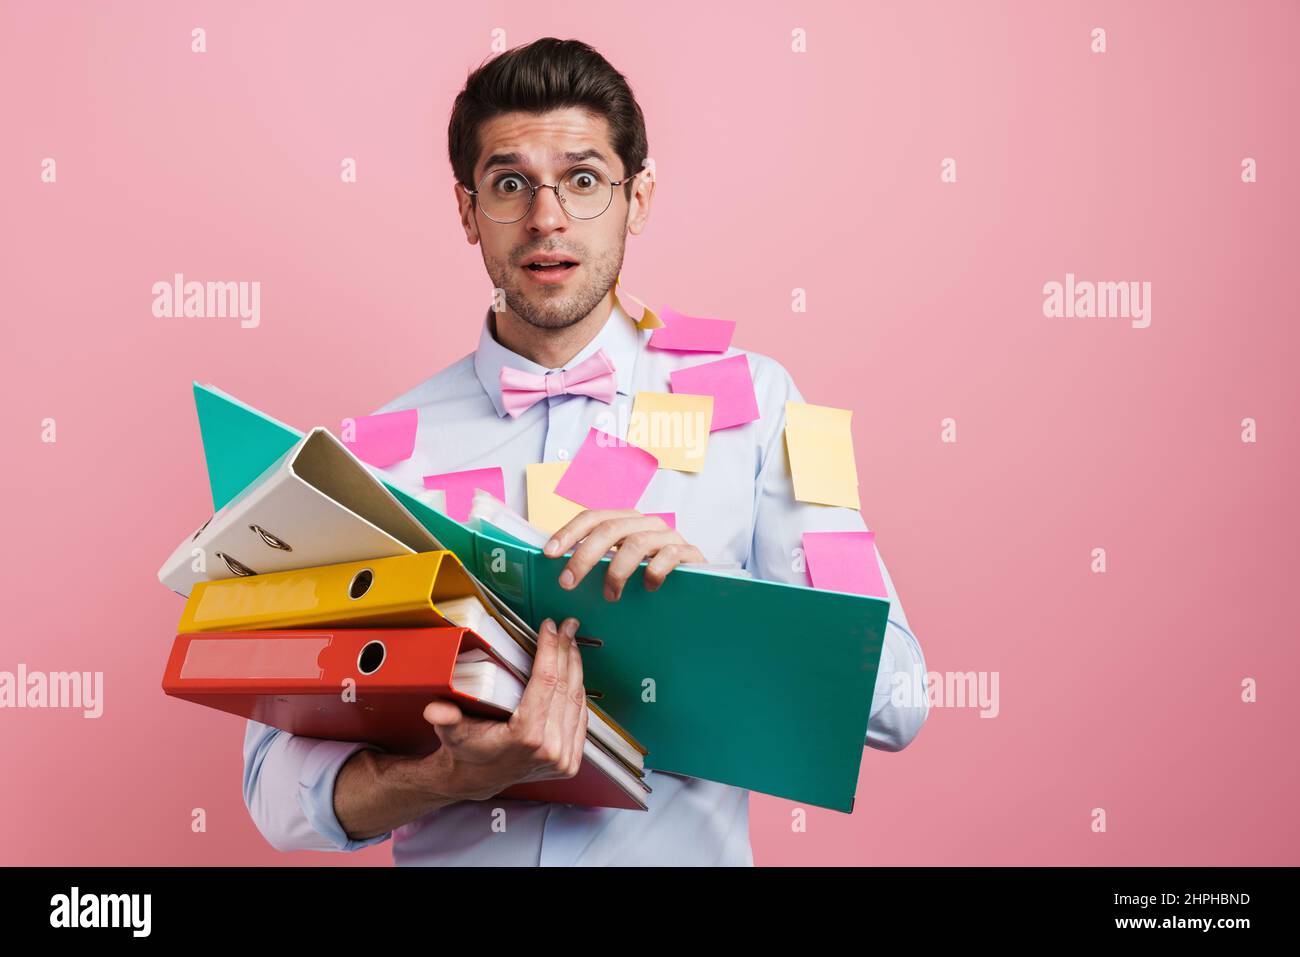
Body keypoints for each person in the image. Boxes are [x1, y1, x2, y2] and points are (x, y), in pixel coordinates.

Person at [242, 37, 928, 866]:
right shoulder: (371, 459)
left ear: (636, 198)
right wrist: (446, 776)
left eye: (583, 179)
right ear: (467, 211)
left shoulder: (764, 402)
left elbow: (895, 697)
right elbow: (274, 793)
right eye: (509, 184)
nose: (547, 217)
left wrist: (710, 601)